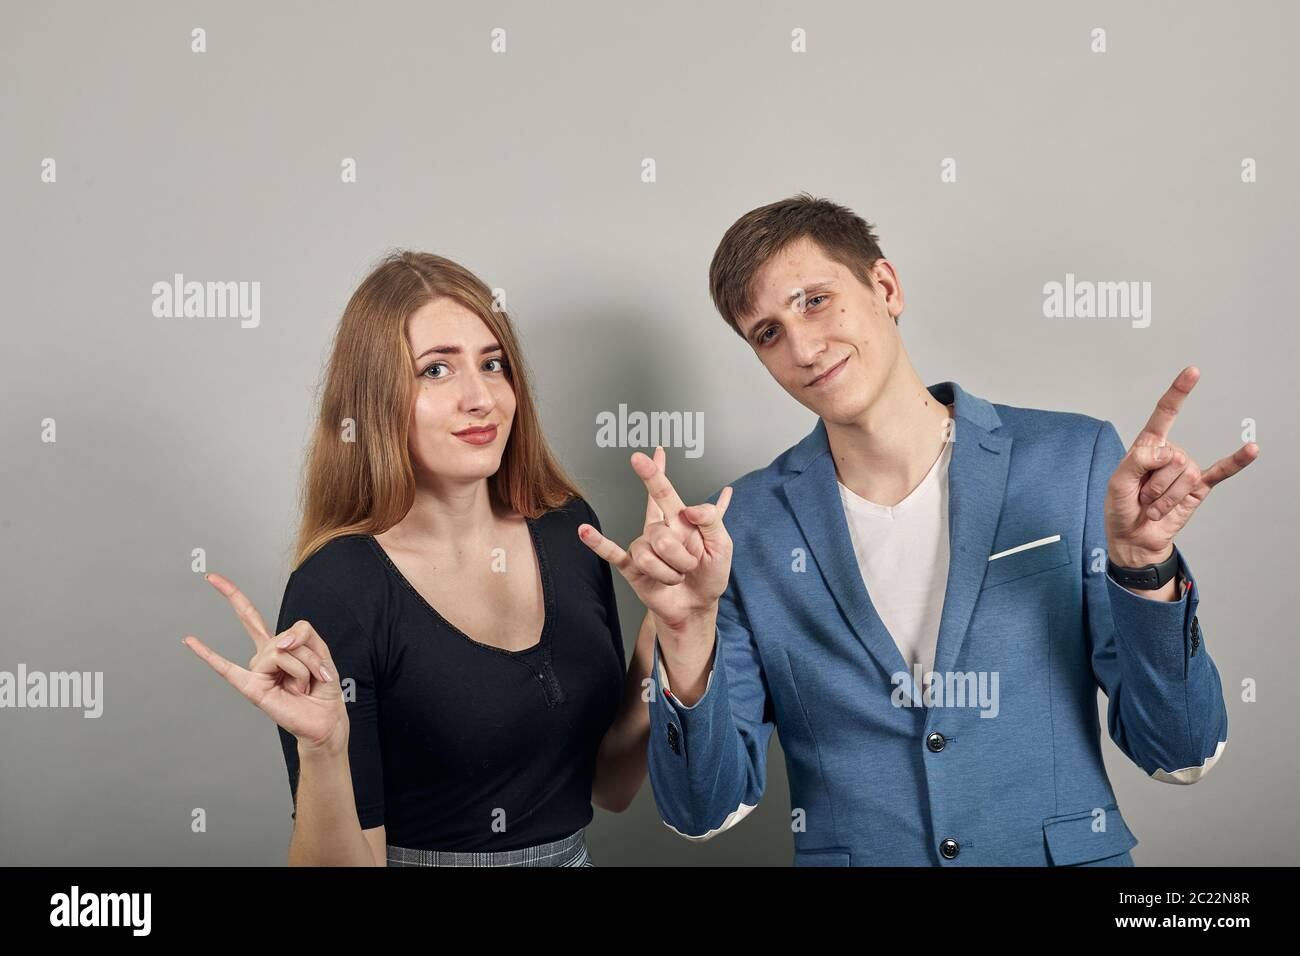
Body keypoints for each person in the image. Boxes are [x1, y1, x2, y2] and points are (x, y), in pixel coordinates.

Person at [578, 194, 1257, 866]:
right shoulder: (739, 529)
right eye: (768, 333)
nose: (804, 347)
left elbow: (1182, 757)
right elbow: (703, 813)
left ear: (885, 285)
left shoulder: (1071, 462)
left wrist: (1145, 567)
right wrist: (686, 631)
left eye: (814, 300)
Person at [184, 251, 654, 866]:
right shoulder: (339, 588)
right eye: (436, 371)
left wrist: (668, 626)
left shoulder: (571, 532)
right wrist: (323, 752)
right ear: (376, 401)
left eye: (493, 364)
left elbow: (612, 788)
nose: (480, 397)